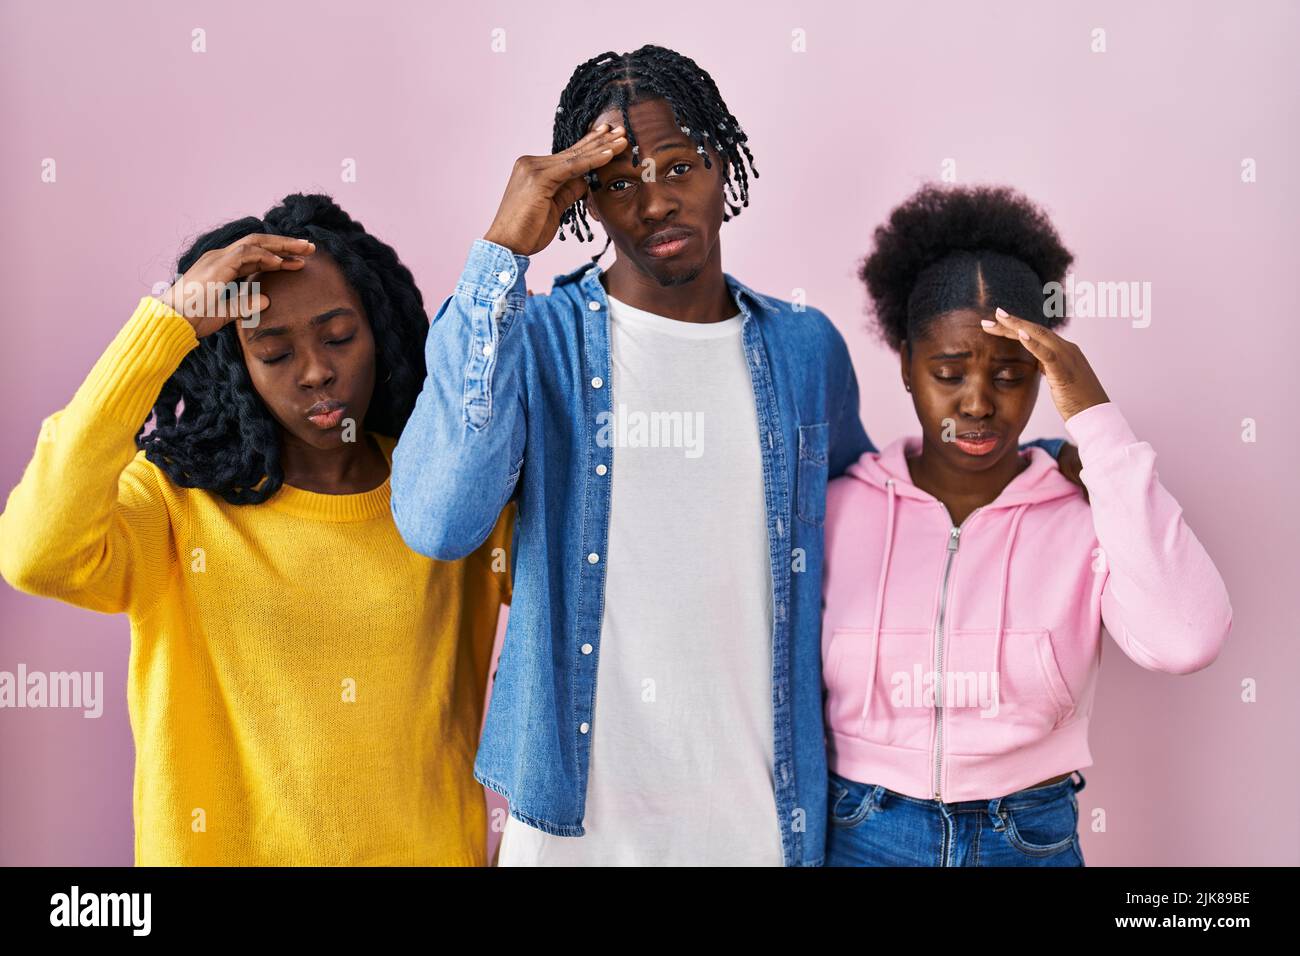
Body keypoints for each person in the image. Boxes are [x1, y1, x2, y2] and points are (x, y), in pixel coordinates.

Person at [393, 46, 1075, 866]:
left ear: (724, 164)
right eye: (618, 183)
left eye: (680, 165)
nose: (655, 202)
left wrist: (1034, 466)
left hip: (761, 818)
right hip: (578, 822)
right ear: (585, 203)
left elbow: (872, 517)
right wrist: (503, 250)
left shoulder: (802, 349)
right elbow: (438, 520)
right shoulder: (533, 338)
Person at [0, 194, 513, 865]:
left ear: (379, 331)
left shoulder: (442, 490)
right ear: (237, 367)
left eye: (339, 337)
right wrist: (170, 322)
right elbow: (35, 554)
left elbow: (589, 611)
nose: (316, 371)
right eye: (273, 352)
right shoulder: (175, 504)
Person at [820, 184, 1232, 866]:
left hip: (1027, 838)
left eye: (1012, 375)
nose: (978, 402)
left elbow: (1186, 640)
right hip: (862, 831)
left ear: (1046, 376)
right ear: (906, 366)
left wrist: (1097, 423)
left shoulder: (1089, 510)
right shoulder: (839, 507)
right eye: (948, 372)